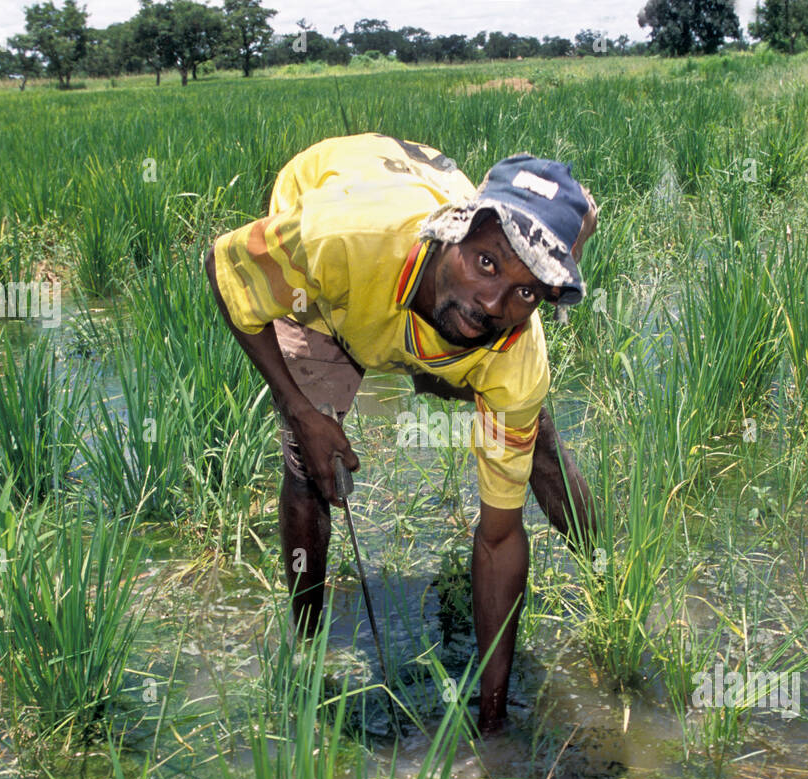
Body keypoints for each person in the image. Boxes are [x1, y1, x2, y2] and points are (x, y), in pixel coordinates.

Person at [205, 132, 597, 735]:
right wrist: (301, 413)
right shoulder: (337, 239)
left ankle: (607, 577)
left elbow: (498, 541)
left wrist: (493, 724)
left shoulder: (515, 352)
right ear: (455, 230)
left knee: (536, 441)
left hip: (410, 284)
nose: (491, 303)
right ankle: (307, 644)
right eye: (486, 261)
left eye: (525, 290)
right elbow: (224, 267)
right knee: (310, 466)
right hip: (338, 289)